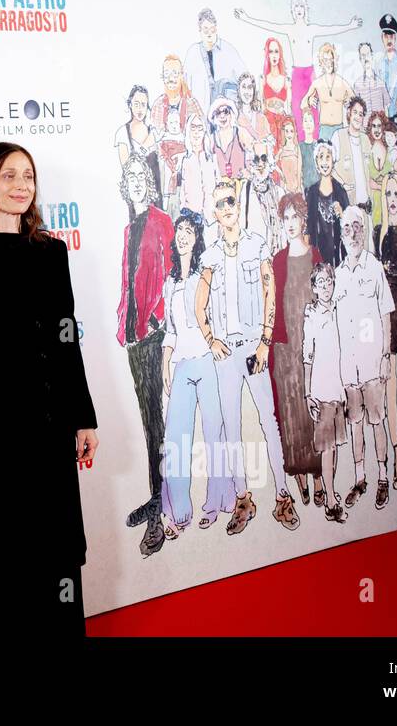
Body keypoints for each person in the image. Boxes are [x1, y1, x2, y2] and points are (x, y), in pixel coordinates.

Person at [0, 142, 99, 637]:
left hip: (46, 431)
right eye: (9, 175)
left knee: (52, 558)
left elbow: (65, 336)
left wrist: (82, 415)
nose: (20, 186)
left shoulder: (51, 252)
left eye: (28, 177)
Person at [195, 180, 297, 533]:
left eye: (231, 201)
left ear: (238, 206)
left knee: (269, 422)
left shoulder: (256, 246)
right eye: (220, 203)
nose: (227, 208)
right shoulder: (210, 256)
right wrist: (211, 340)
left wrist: (265, 342)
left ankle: (283, 498)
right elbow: (199, 304)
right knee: (231, 429)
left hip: (255, 347)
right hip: (227, 355)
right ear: (214, 211)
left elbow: (271, 292)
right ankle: (243, 500)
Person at [116, 155, 175, 556]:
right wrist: (124, 328)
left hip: (153, 338)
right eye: (130, 176)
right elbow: (126, 281)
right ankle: (157, 497)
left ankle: (160, 513)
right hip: (135, 340)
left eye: (142, 176)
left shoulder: (161, 220)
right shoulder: (128, 228)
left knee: (158, 427)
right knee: (147, 424)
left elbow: (168, 271)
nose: (136, 181)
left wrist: (155, 321)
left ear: (150, 184)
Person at [158, 210, 228, 537]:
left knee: (214, 435)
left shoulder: (206, 273)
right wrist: (164, 366)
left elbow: (213, 316)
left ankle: (214, 504)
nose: (184, 235)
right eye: (180, 230)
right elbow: (171, 332)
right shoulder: (169, 281)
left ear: (197, 237)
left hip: (206, 360)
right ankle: (177, 514)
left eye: (190, 231)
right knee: (175, 440)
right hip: (182, 365)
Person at [234, 0, 361, 147]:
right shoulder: (289, 29)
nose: (299, 9)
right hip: (297, 74)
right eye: (296, 7)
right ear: (292, 11)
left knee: (313, 108)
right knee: (297, 109)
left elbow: (331, 29)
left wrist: (350, 26)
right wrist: (246, 18)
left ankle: (315, 144)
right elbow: (269, 25)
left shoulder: (311, 29)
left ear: (305, 9)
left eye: (301, 6)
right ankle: (301, 145)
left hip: (309, 74)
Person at [332, 205, 395, 512]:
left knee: (377, 420)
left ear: (365, 230)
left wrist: (385, 355)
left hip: (372, 363)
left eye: (357, 227)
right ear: (341, 234)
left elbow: (386, 314)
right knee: (355, 423)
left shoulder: (375, 268)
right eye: (347, 228)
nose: (353, 233)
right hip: (349, 368)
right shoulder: (338, 275)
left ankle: (383, 476)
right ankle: (360, 478)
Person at [269, 192, 326, 509]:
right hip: (285, 350)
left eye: (294, 217)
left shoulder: (316, 255)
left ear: (304, 219)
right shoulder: (277, 260)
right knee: (290, 414)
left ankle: (318, 476)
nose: (290, 224)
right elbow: (273, 307)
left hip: (312, 348)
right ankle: (299, 478)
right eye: (285, 218)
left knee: (311, 412)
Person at [303, 262, 349, 523]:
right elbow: (307, 356)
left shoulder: (340, 310)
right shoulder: (311, 315)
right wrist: (309, 393)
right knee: (327, 448)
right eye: (321, 283)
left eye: (329, 282)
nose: (326, 287)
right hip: (321, 390)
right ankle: (331, 499)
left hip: (339, 389)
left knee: (336, 446)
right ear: (314, 288)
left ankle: (332, 492)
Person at [374, 172, 397, 490]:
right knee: (391, 391)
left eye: (396, 193)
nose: (393, 199)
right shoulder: (377, 234)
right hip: (388, 319)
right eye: (388, 194)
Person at [150, 56, 204, 217]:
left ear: (182, 75)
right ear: (162, 77)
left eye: (175, 73)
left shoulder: (192, 104)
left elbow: (201, 138)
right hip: (165, 174)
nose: (171, 78)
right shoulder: (158, 105)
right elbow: (156, 142)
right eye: (167, 74)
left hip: (188, 172)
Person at [183, 7, 247, 114]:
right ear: (199, 30)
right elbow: (184, 85)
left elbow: (244, 78)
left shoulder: (228, 50)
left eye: (212, 29)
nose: (209, 34)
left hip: (226, 114)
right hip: (200, 112)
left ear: (216, 28)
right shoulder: (192, 53)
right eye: (205, 30)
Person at [114, 84, 163, 216]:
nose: (140, 108)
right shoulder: (122, 133)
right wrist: (145, 146)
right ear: (130, 104)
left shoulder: (154, 132)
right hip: (136, 198)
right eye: (136, 104)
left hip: (155, 197)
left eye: (143, 104)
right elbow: (126, 169)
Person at [305, 140, 349, 268]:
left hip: (338, 255)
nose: (324, 162)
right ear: (317, 163)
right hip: (317, 255)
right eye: (321, 157)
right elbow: (307, 229)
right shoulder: (311, 192)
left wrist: (342, 215)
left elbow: (349, 225)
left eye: (328, 157)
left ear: (333, 161)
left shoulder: (340, 191)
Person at [240, 138, 283, 256]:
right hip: (253, 254)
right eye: (256, 159)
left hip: (275, 253)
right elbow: (242, 225)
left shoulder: (279, 192)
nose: (260, 164)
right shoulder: (246, 189)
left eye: (264, 158)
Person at [332, 95, 374, 211]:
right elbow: (330, 168)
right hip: (347, 207)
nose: (358, 117)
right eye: (355, 112)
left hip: (365, 207)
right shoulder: (338, 136)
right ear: (349, 113)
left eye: (361, 114)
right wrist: (342, 184)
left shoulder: (366, 139)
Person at [304, 42, 353, 142]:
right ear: (321, 62)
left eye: (331, 59)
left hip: (339, 128)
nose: (329, 63)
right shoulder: (317, 83)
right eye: (326, 60)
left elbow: (357, 102)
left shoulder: (342, 82)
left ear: (335, 60)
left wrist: (350, 101)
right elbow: (302, 103)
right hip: (324, 129)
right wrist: (309, 100)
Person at [178, 113, 216, 217]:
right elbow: (182, 191)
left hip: (211, 217)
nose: (196, 133)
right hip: (191, 216)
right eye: (193, 128)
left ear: (205, 131)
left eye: (200, 128)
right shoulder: (185, 160)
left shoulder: (212, 159)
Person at [376, 14, 397, 139]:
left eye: (391, 36)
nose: (389, 40)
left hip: (396, 114)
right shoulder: (378, 63)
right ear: (382, 38)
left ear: (395, 38)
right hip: (381, 115)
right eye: (386, 36)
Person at [366, 110, 395, 229]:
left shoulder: (390, 150)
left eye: (379, 126)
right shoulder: (367, 150)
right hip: (374, 203)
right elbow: (369, 182)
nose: (377, 130)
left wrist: (379, 185)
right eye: (374, 126)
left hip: (390, 202)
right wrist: (382, 185)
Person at [261, 37, 291, 150]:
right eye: (271, 51)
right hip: (268, 123)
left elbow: (289, 108)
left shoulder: (286, 80)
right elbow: (261, 106)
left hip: (282, 123)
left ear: (280, 54)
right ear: (267, 54)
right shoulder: (263, 79)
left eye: (276, 51)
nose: (274, 55)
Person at [208, 97, 248, 182]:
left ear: (231, 114)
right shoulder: (211, 138)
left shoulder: (240, 132)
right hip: (221, 187)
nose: (222, 116)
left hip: (241, 184)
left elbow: (253, 152)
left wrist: (248, 170)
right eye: (218, 113)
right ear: (214, 117)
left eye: (226, 112)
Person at [353, 41, 391, 118]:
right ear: (360, 59)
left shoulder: (381, 83)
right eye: (363, 55)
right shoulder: (357, 84)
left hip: (379, 127)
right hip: (364, 128)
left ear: (372, 56)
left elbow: (386, 107)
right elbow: (356, 110)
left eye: (367, 54)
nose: (365, 58)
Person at [236, 73, 272, 151]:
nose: (247, 92)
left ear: (254, 91)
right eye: (244, 87)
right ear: (239, 90)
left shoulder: (261, 118)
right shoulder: (235, 118)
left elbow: (269, 144)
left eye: (250, 88)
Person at [275, 116, 303, 194]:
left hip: (296, 186)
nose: (289, 134)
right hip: (285, 187)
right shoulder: (282, 150)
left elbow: (299, 169)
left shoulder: (297, 149)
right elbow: (272, 163)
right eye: (287, 131)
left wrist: (299, 186)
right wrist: (280, 173)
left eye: (291, 131)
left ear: (295, 132)